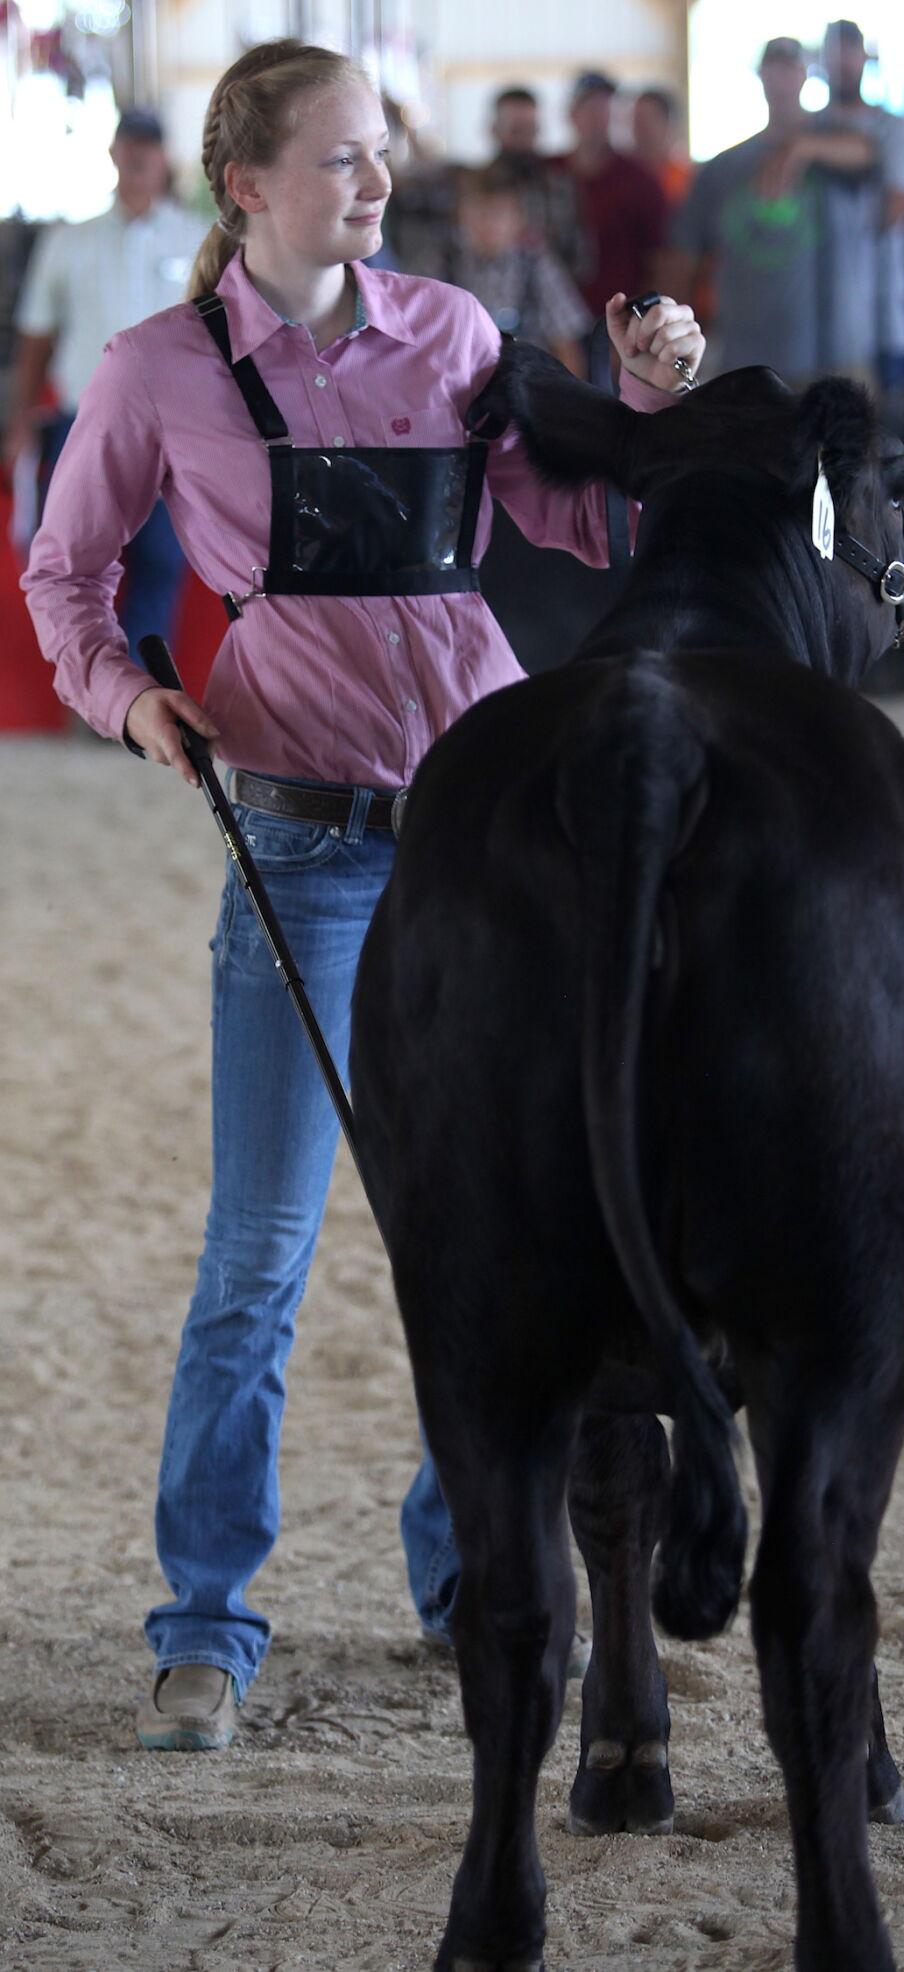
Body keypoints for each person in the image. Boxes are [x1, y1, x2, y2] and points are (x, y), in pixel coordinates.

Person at [22, 38, 705, 1754]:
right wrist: (131, 698)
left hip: (488, 844)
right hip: (301, 848)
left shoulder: (458, 336)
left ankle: (463, 1571)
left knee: (487, 1233)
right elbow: (67, 571)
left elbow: (557, 515)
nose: (376, 184)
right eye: (341, 159)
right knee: (260, 1251)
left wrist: (638, 401)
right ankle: (205, 1618)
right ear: (247, 185)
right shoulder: (156, 369)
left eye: (382, 154)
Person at [6, 108, 205, 659]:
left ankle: (141, 686)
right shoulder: (70, 240)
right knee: (77, 560)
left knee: (162, 557)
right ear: (114, 153)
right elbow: (36, 339)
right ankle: (91, 683)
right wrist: (22, 419)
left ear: (165, 159)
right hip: (81, 422)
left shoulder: (198, 238)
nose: (139, 157)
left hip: (173, 428)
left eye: (150, 146)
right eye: (130, 145)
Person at [666, 37, 876, 386]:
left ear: (806, 77)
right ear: (760, 76)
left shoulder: (835, 149)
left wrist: (801, 149)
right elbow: (682, 260)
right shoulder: (723, 169)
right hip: (747, 361)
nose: (781, 80)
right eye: (773, 70)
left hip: (835, 360)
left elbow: (868, 153)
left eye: (790, 70)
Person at [814, 18, 904, 404]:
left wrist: (845, 157)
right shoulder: (809, 129)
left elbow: (897, 208)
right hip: (814, 330)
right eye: (835, 52)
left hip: (884, 325)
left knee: (884, 450)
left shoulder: (897, 129)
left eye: (851, 51)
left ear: (865, 57)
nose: (843, 62)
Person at [417, 163, 590, 373]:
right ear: (460, 215)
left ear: (519, 220)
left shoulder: (536, 265)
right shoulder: (441, 262)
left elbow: (566, 344)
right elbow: (419, 337)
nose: (489, 223)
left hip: (526, 384)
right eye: (479, 211)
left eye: (499, 213)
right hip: (457, 382)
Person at [547, 71, 669, 321]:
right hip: (552, 324)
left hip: (615, 321)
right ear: (572, 114)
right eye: (590, 109)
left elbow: (659, 261)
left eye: (605, 111)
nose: (598, 119)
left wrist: (639, 322)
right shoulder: (547, 174)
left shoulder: (639, 181)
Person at [488, 85, 589, 288]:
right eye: (516, 130)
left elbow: (582, 260)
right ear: (495, 130)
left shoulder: (559, 190)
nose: (525, 140)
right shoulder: (476, 190)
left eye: (531, 130)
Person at [631, 87, 692, 208]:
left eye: (648, 119)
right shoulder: (625, 178)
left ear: (667, 123)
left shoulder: (685, 179)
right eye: (637, 120)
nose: (642, 128)